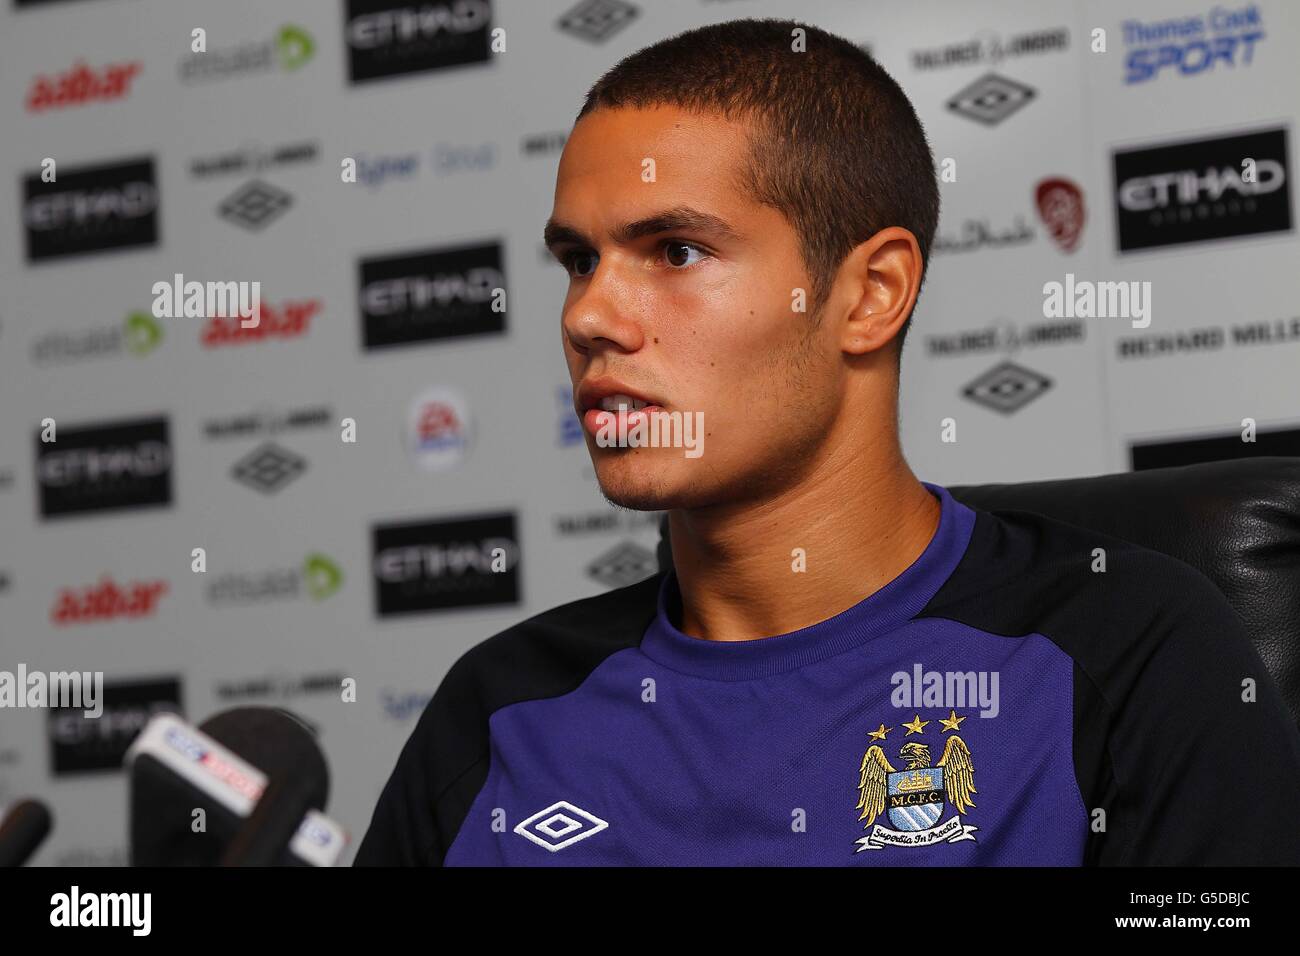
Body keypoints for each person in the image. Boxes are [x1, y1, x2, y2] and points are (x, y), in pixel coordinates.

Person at [354, 18, 1300, 866]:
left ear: (870, 294)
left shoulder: (1128, 651)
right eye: (579, 260)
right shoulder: (498, 710)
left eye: (677, 252)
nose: (591, 315)